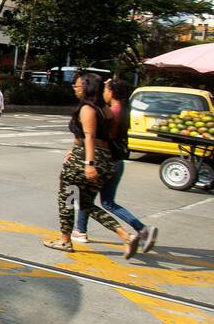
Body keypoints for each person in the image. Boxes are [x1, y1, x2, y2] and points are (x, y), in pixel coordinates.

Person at [43, 72, 140, 259]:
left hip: (85, 159)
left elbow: (90, 137)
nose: (75, 89)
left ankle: (65, 240)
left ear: (87, 88)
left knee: (66, 199)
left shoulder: (88, 109)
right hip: (105, 159)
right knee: (86, 203)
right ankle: (126, 236)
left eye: (78, 86)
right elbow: (108, 137)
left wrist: (88, 163)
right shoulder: (107, 110)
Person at [72, 77, 159, 251]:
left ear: (111, 92)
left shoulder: (112, 112)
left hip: (106, 161)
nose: (102, 93)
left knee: (85, 197)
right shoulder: (123, 109)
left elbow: (98, 138)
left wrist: (89, 161)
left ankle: (81, 231)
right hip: (117, 161)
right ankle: (142, 230)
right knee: (107, 202)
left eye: (105, 90)